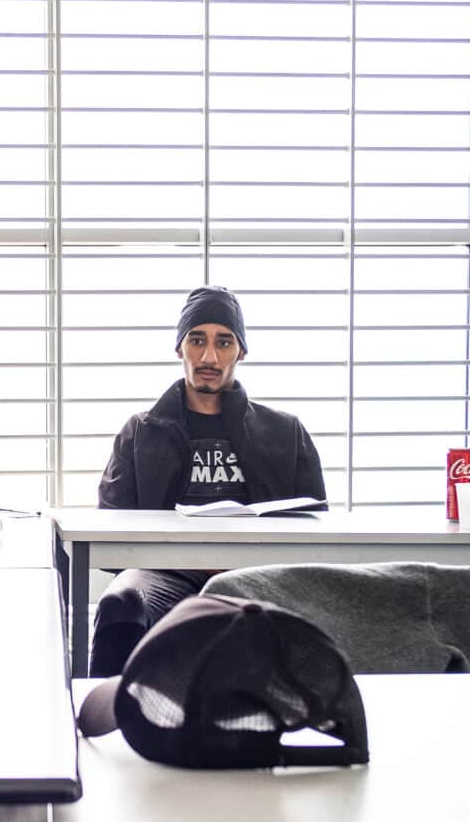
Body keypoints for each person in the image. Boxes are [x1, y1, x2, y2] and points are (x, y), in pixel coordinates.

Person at [88, 285, 326, 675]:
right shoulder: (141, 432)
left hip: (256, 574)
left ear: (242, 352)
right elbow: (112, 530)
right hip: (165, 573)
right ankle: (103, 719)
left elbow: (316, 528)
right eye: (197, 340)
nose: (210, 356)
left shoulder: (285, 432)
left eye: (224, 342)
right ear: (180, 348)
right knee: (120, 604)